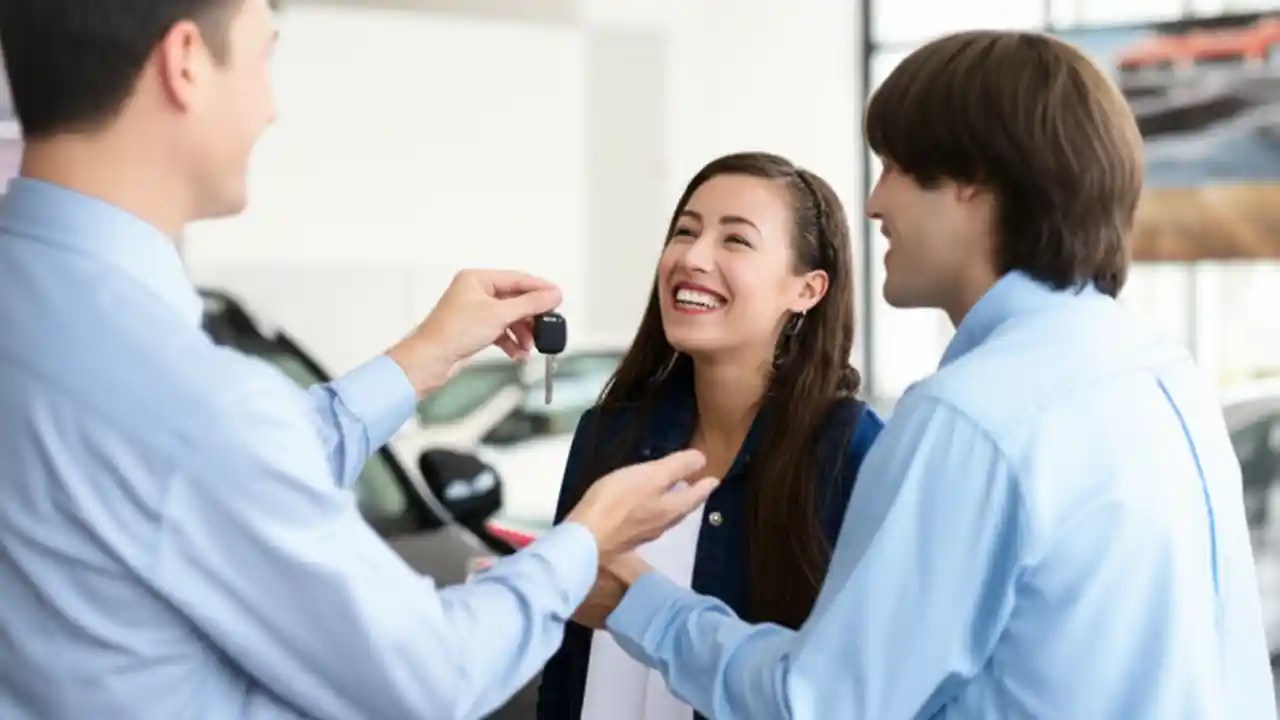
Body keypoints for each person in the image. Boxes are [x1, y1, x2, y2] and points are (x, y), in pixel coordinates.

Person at [0, 2, 720, 718]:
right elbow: (432, 676)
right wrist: (586, 540)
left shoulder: (61, 329)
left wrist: (421, 357)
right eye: (263, 57)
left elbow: (214, 476)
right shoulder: (195, 404)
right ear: (185, 63)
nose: (271, 109)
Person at [577, 30, 1278, 719]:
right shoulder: (1160, 374)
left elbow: (821, 705)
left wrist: (641, 603)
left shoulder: (969, 418)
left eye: (895, 168)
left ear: (973, 180)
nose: (875, 204)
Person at [537, 152, 885, 720]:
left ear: (808, 290)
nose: (692, 258)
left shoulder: (851, 451)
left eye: (736, 240)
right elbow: (565, 660)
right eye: (685, 232)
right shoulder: (608, 435)